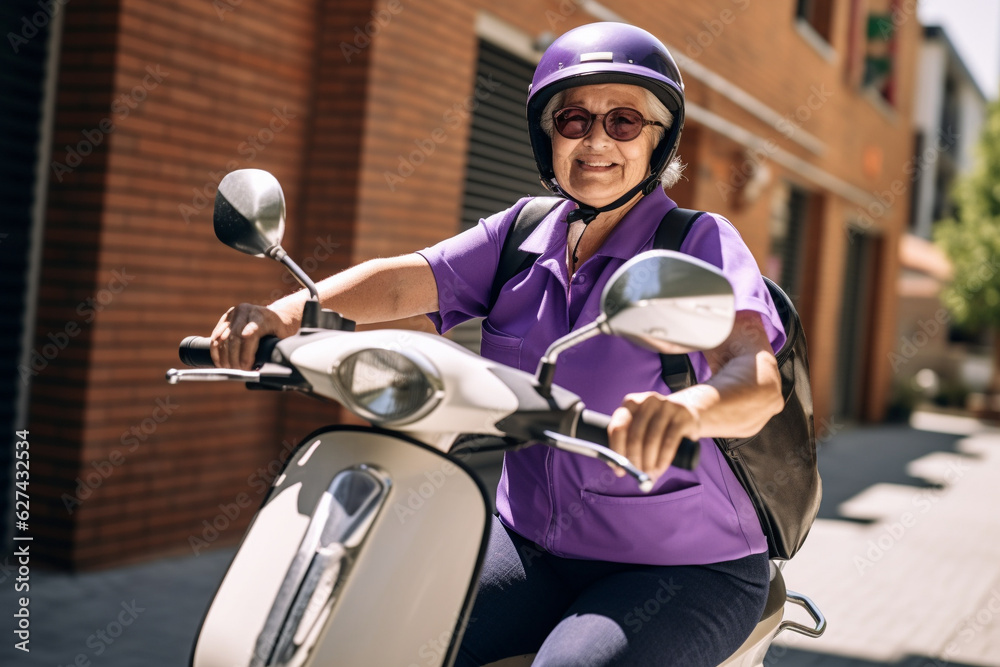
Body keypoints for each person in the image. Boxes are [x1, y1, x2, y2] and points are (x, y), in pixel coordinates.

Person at [211, 22, 785, 667]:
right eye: (573, 120)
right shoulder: (522, 234)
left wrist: (688, 410)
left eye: (624, 122)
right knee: (377, 637)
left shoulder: (698, 241)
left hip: (682, 564)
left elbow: (757, 379)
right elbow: (403, 284)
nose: (596, 140)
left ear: (658, 141)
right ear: (550, 137)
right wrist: (284, 315)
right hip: (531, 542)